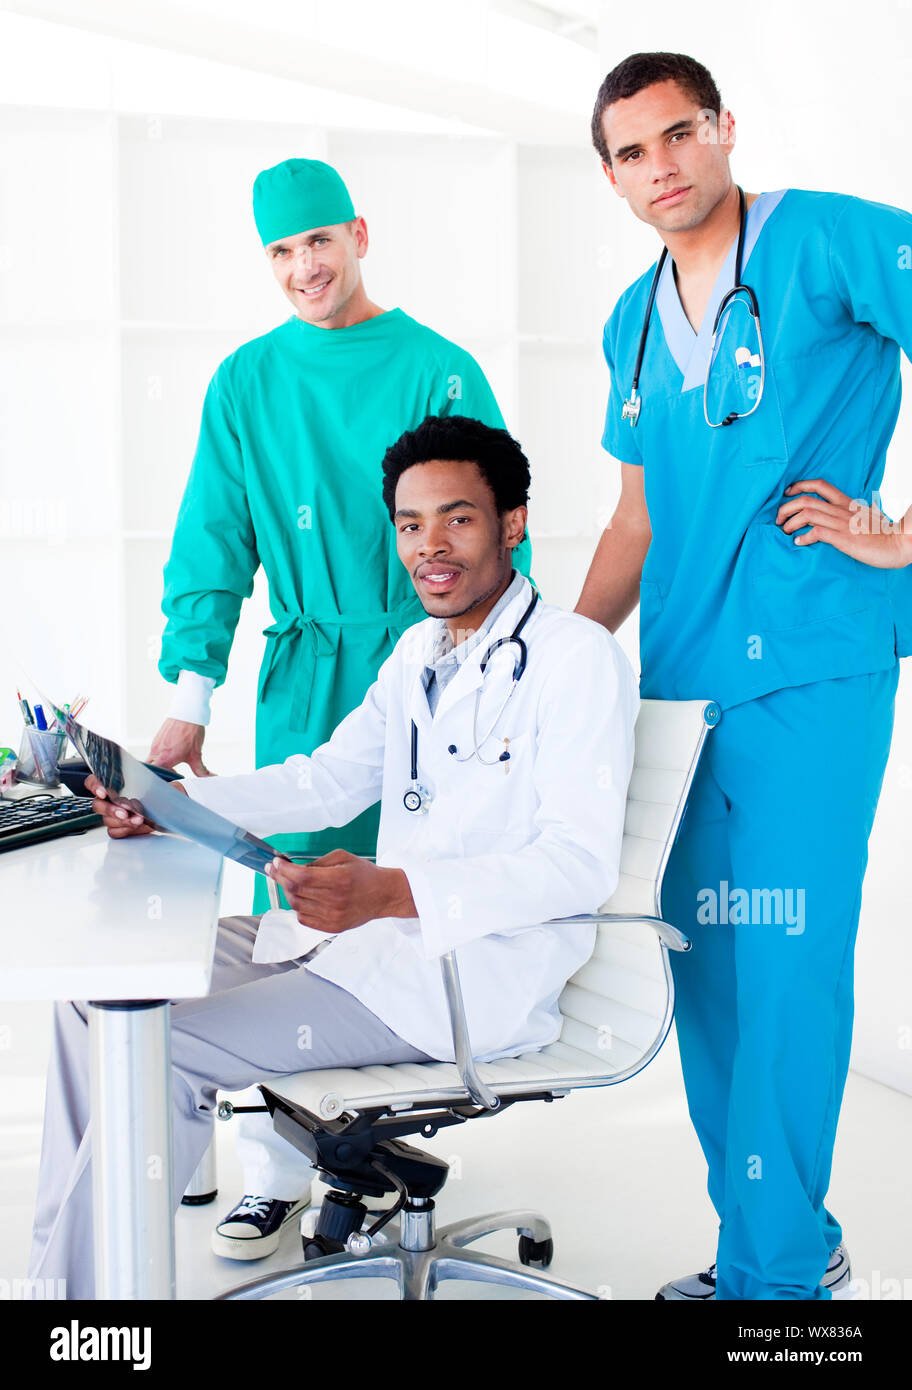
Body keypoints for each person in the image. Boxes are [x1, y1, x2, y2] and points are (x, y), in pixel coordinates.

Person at [28, 414, 637, 1301]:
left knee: (156, 1049)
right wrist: (169, 803)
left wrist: (393, 893)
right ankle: (54, 1278)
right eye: (410, 524)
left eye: (458, 519)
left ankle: (89, 1315)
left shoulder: (574, 660)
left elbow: (577, 865)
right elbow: (324, 783)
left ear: (513, 524)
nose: (430, 546)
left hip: (462, 983)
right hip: (361, 950)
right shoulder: (420, 650)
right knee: (96, 999)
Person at [150, 156, 533, 1251]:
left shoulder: (437, 368)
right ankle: (272, 1168)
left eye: (319, 239)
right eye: (280, 250)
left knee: (402, 932)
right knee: (285, 923)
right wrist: (191, 694)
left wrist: (504, 683)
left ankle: (352, 1164)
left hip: (432, 671)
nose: (303, 265)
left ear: (359, 234)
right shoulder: (246, 382)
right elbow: (213, 536)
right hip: (311, 684)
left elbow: (492, 521)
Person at [576, 51, 912, 1301]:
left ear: (724, 129)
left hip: (810, 668)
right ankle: (770, 1244)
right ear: (610, 176)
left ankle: (777, 1288)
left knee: (785, 964)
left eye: (678, 135)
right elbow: (636, 523)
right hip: (679, 681)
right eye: (631, 152)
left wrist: (900, 534)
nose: (661, 166)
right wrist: (542, 649)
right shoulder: (630, 319)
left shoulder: (822, 240)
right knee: (704, 969)